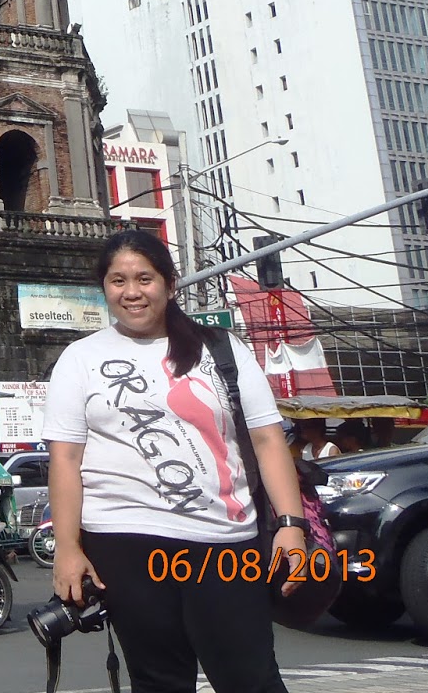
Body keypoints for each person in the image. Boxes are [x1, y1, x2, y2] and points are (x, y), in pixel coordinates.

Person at [44, 229, 307, 693]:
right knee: (159, 681)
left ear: (170, 283)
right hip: (124, 542)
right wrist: (68, 549)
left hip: (225, 540)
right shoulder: (79, 358)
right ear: (103, 287)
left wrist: (291, 524)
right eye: (117, 280)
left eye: (144, 279)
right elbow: (65, 459)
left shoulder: (221, 349)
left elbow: (268, 440)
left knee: (250, 678)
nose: (131, 292)